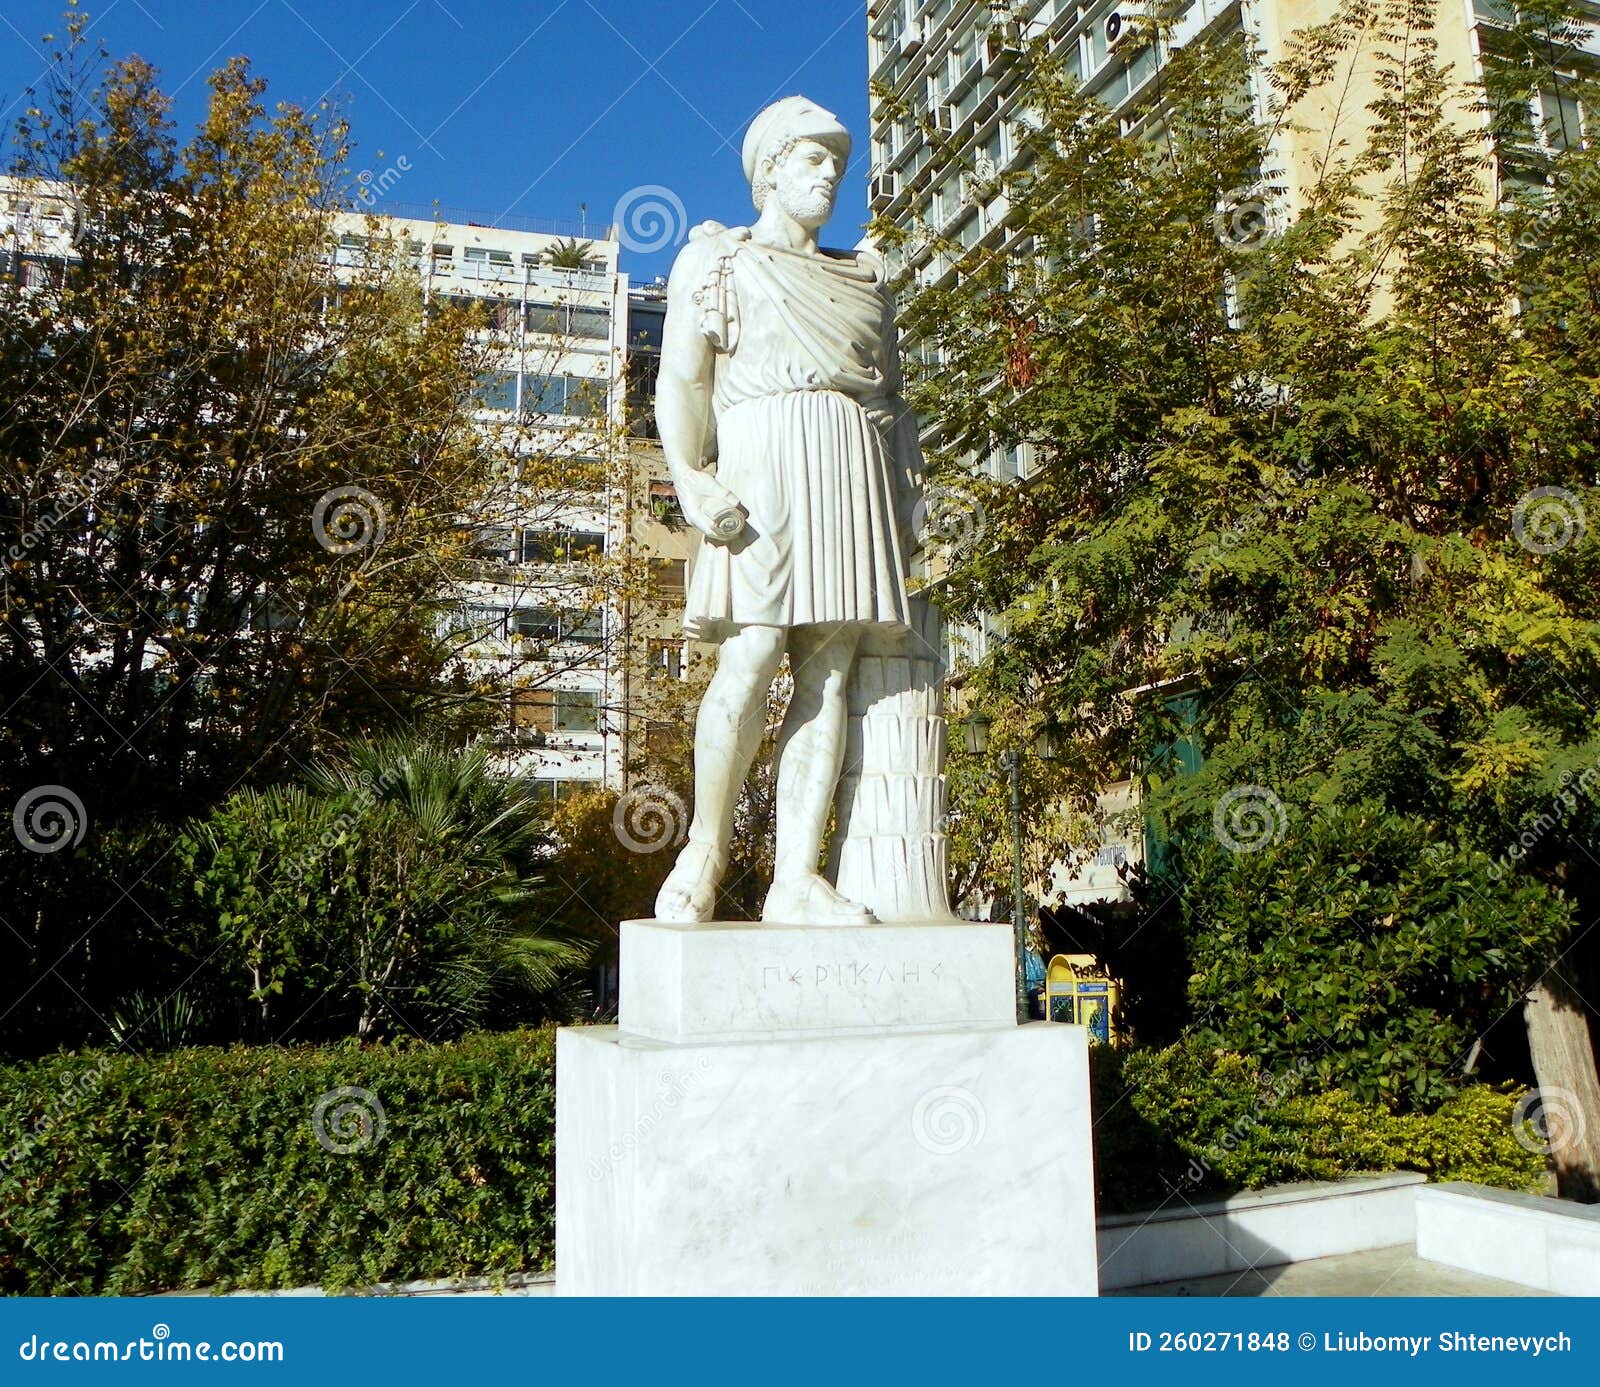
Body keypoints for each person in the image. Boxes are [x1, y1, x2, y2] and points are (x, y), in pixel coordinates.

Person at [652, 95, 922, 925]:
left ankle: (796, 876)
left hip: (847, 467)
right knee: (753, 652)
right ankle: (706, 847)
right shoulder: (717, 263)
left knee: (830, 670)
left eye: (836, 161)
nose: (830, 173)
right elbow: (681, 381)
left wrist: (911, 502)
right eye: (812, 159)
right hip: (761, 459)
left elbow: (894, 398)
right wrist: (690, 481)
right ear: (769, 169)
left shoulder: (863, 275)